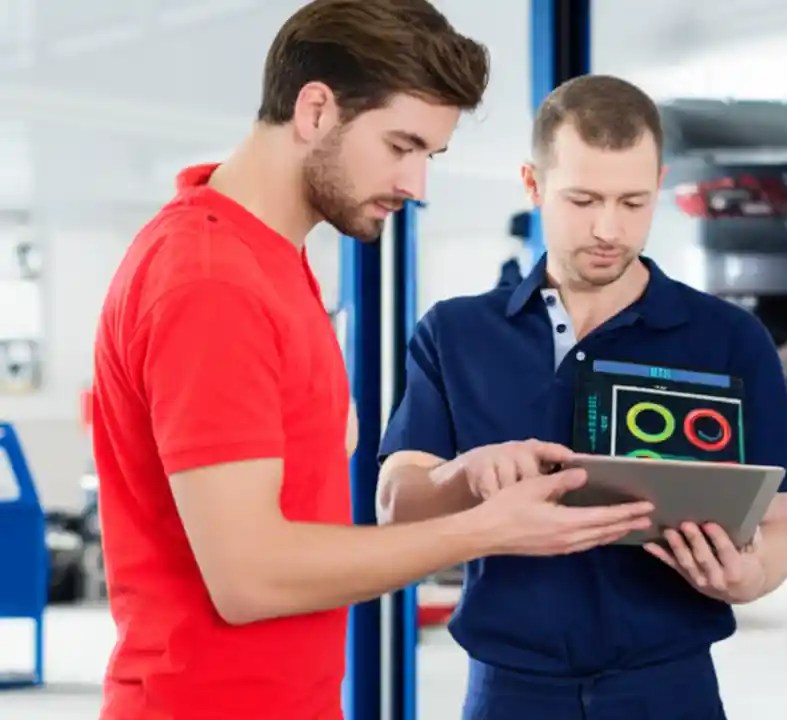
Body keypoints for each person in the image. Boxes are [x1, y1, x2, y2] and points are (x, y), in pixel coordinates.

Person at [89, 4, 653, 719]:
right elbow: (250, 576)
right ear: (316, 109)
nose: (417, 185)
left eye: (430, 157)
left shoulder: (269, 262)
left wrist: (461, 479)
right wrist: (491, 529)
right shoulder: (211, 280)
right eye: (401, 145)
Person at [377, 74, 787, 719]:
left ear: (659, 186)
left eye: (633, 203)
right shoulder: (455, 332)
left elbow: (776, 529)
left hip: (670, 689)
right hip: (509, 692)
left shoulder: (730, 339)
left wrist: (750, 579)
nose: (609, 228)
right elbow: (395, 506)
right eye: (582, 200)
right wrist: (464, 476)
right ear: (533, 184)